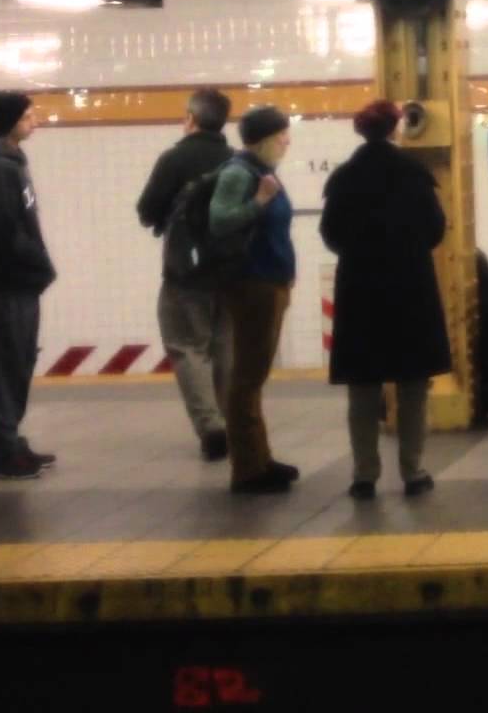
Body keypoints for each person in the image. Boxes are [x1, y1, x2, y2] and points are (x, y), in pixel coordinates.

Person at [320, 101, 451, 500]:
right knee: (413, 383)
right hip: (410, 285)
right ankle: (413, 471)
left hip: (360, 288)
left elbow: (331, 234)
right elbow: (434, 230)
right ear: (395, 128)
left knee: (363, 386)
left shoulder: (344, 178)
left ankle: (365, 475)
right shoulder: (414, 175)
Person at [136, 88, 236, 461]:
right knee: (225, 346)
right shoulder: (234, 161)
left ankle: (211, 426)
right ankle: (231, 420)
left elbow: (147, 209)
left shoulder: (175, 159)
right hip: (230, 272)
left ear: (191, 119)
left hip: (186, 272)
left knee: (186, 346)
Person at [211, 105, 299, 494]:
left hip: (270, 282)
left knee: (254, 374)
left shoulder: (260, 171)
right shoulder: (237, 173)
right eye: (282, 134)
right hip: (252, 284)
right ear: (264, 138)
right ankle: (247, 469)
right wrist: (260, 201)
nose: (287, 140)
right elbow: (220, 220)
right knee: (247, 376)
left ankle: (260, 457)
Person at [0, 91, 57, 480]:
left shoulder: (9, 163)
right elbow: (9, 231)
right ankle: (0, 451)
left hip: (18, 280)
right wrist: (40, 265)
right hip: (12, 280)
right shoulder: (3, 169)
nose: (35, 120)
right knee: (7, 364)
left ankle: (7, 441)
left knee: (17, 361)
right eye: (28, 115)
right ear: (10, 121)